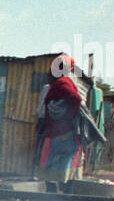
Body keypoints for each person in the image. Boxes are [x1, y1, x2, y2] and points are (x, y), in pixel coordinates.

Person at [34, 56, 86, 191]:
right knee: (66, 160)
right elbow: (76, 98)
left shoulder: (57, 83)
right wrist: (70, 115)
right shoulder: (64, 82)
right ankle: (62, 192)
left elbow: (43, 109)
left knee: (51, 160)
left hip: (55, 130)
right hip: (64, 130)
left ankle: (55, 191)